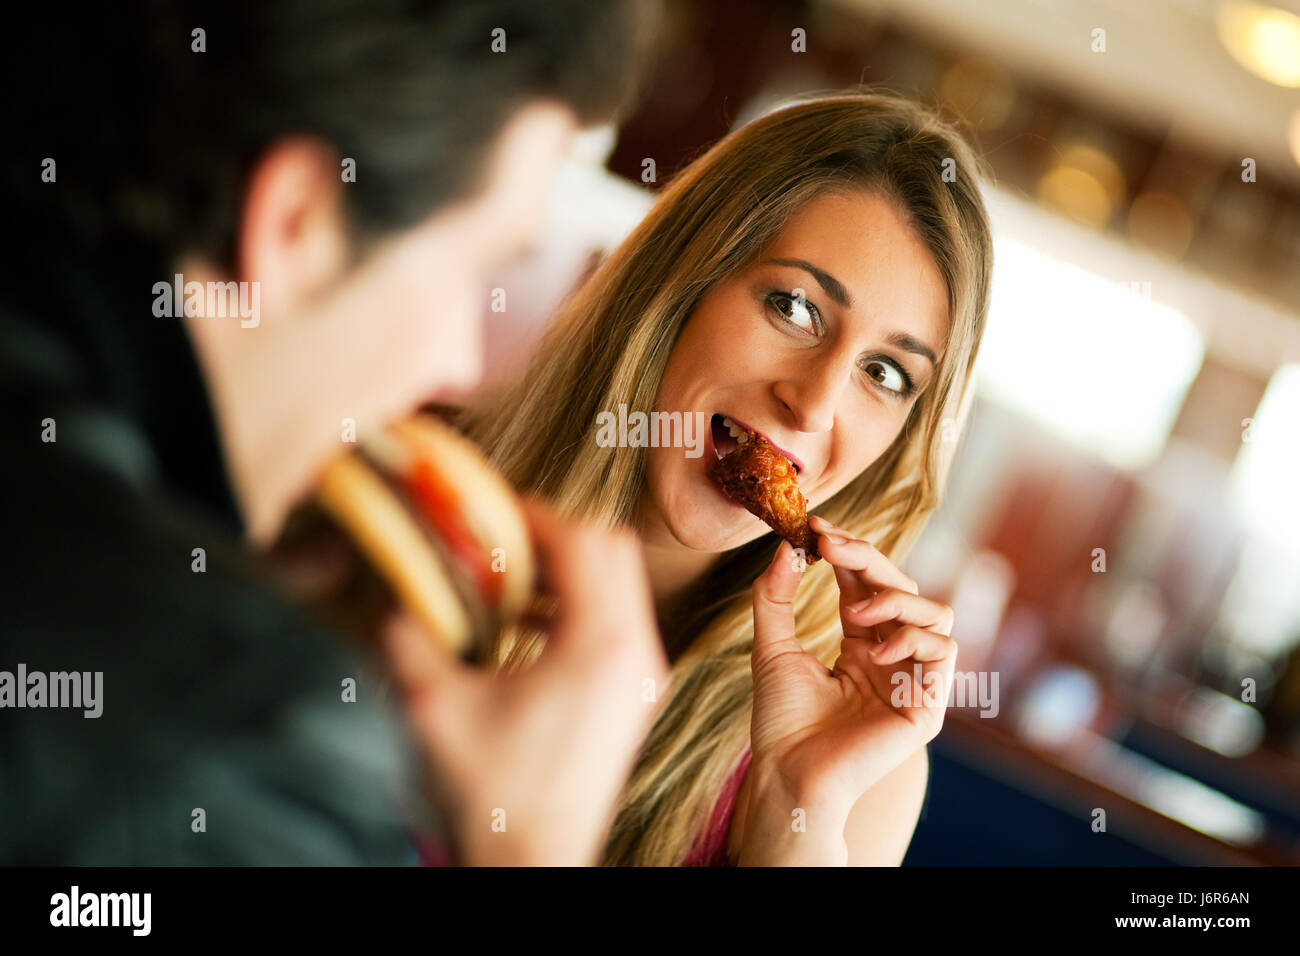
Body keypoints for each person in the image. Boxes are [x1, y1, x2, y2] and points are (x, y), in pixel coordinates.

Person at [0, 0, 667, 866]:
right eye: (476, 268)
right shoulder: (246, 738)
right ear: (298, 222)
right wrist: (529, 845)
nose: (463, 366)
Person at [457, 90, 994, 865]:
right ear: (677, 283)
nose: (813, 404)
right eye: (794, 306)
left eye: (884, 371)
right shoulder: (407, 507)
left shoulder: (866, 774)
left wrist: (792, 808)